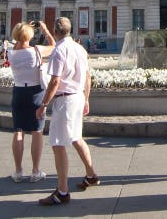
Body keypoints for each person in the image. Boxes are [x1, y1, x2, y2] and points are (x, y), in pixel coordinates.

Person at [36, 17, 99, 206]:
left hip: (65, 100)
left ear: (55, 32)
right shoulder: (80, 49)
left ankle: (62, 192)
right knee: (76, 137)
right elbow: (88, 77)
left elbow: (55, 81)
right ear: (70, 30)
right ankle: (91, 175)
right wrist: (86, 99)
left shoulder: (59, 50)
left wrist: (44, 104)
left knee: (58, 144)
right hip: (78, 97)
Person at [8, 20, 56, 183]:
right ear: (30, 35)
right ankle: (35, 171)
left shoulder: (10, 52)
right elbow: (54, 46)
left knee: (18, 131)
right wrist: (45, 29)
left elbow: (18, 40)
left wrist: (23, 27)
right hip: (36, 92)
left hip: (18, 91)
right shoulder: (36, 50)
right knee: (37, 132)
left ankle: (18, 171)